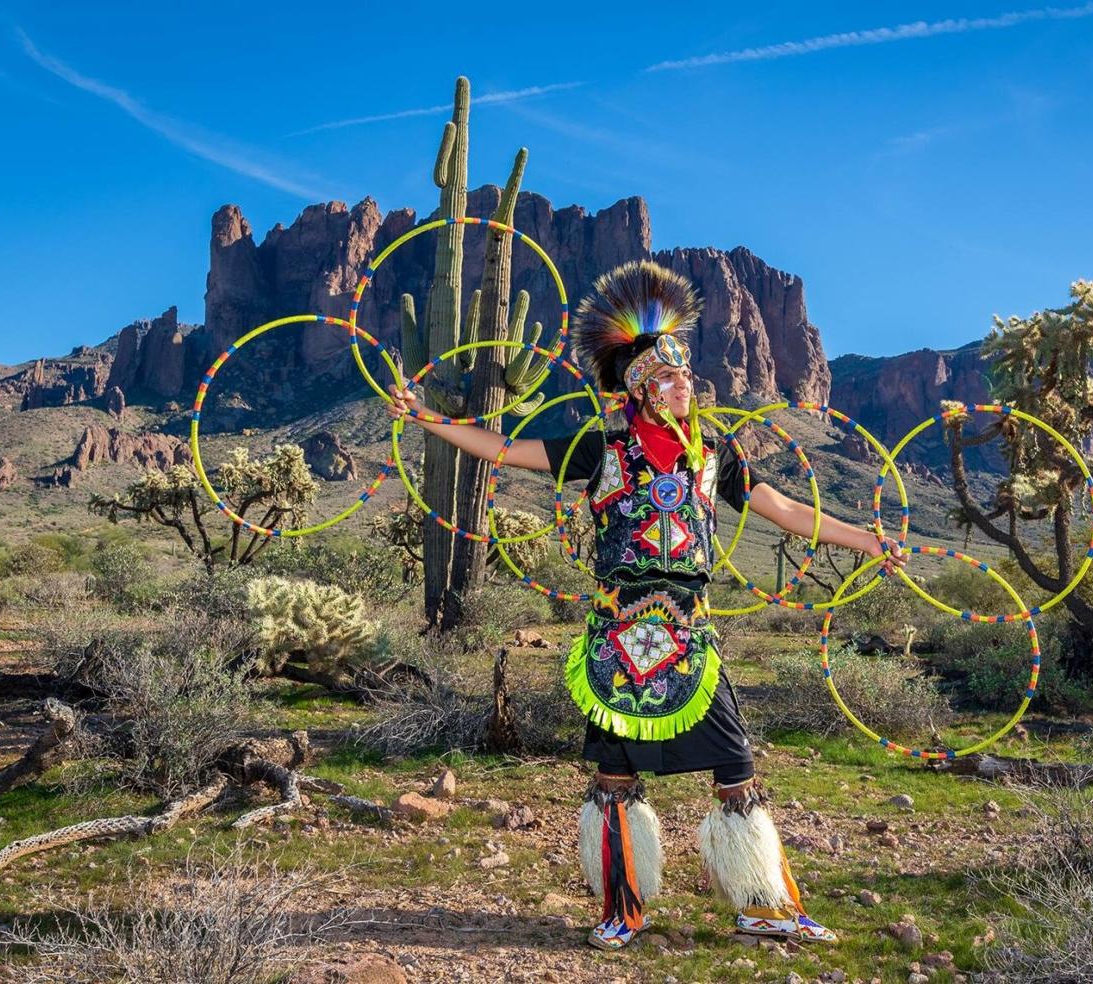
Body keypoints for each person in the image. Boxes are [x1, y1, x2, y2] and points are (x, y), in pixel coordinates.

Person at [388, 260, 905, 951]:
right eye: (670, 375)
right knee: (614, 776)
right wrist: (426, 419)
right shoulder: (601, 446)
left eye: (686, 373)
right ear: (640, 388)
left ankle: (764, 904)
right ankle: (622, 907)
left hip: (690, 632)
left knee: (736, 764)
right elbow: (505, 450)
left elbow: (780, 507)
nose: (686, 383)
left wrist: (866, 539)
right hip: (619, 634)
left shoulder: (713, 454)